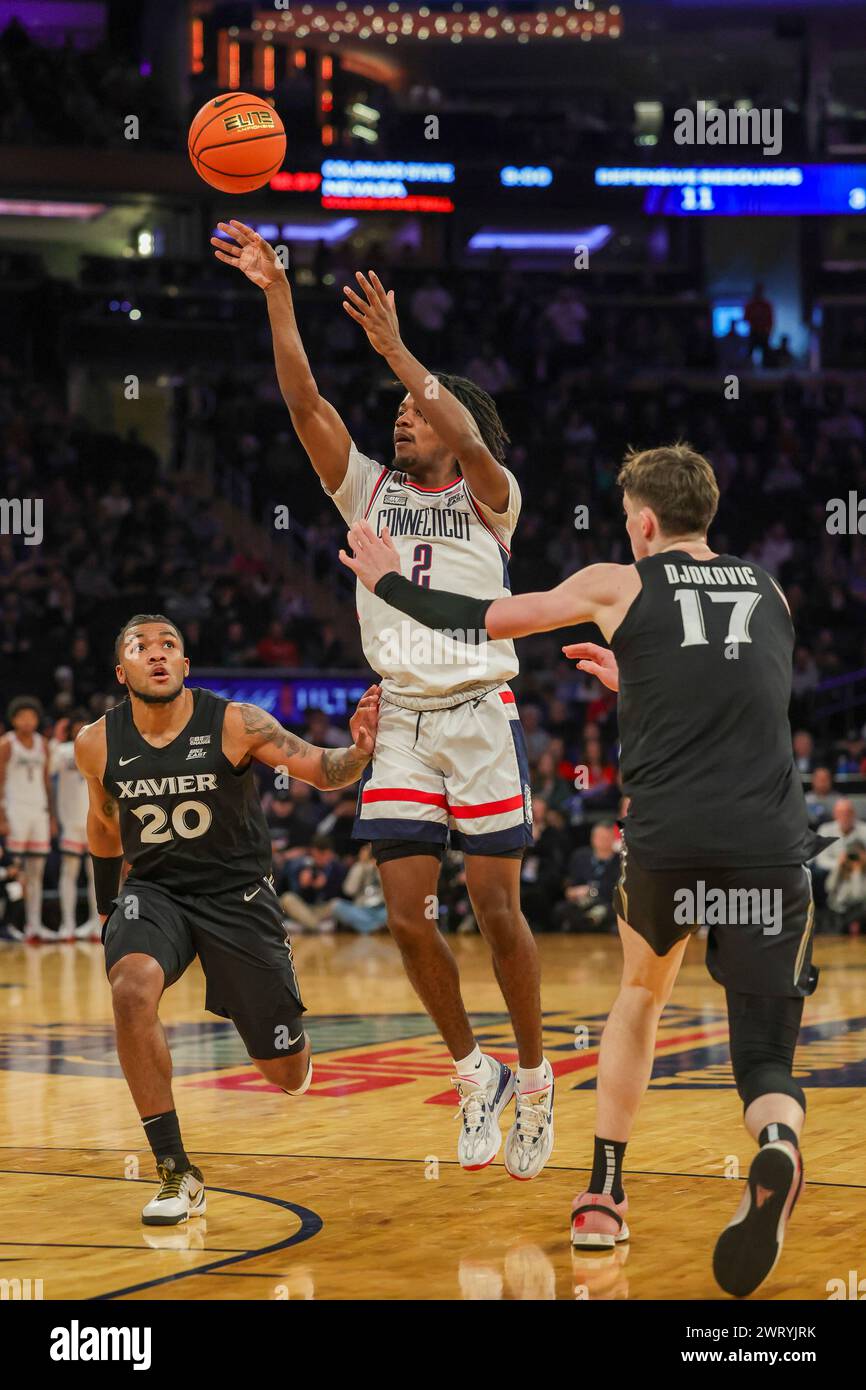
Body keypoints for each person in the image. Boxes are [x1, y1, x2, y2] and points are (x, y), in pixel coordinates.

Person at [342, 441, 823, 1298]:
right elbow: (740, 694)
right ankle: (778, 1149)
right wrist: (638, 680)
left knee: (642, 995)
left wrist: (388, 584)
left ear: (643, 521)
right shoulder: (770, 588)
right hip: (771, 842)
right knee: (763, 1058)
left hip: (672, 840)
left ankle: (603, 1193)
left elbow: (481, 618)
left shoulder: (617, 581)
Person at [213, 220, 553, 1181]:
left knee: (495, 905)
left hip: (482, 715)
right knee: (408, 914)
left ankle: (535, 1076)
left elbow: (466, 439)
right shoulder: (366, 489)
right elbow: (303, 400)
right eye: (399, 406)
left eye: (417, 409)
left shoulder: (494, 497)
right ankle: (472, 1068)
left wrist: (403, 353)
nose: (401, 416)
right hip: (401, 718)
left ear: (458, 428)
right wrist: (278, 293)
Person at [74, 613, 378, 1226]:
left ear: (185, 666)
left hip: (237, 897)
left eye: (169, 646)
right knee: (131, 989)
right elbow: (105, 826)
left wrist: (361, 750)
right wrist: (109, 906)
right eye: (141, 647)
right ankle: (175, 1170)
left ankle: (289, 1044)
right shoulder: (96, 742)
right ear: (121, 670)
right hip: (156, 891)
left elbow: (319, 769)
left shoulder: (237, 722)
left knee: (284, 1073)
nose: (156, 654)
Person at [0, 695, 56, 942]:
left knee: (36, 872)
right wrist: (1, 815)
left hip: (38, 812)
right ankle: (9, 923)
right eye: (22, 716)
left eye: (31, 715)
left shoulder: (43, 744)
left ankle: (34, 925)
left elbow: (46, 783)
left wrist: (52, 817)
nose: (27, 720)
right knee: (12, 872)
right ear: (13, 719)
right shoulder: (6, 744)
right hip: (13, 811)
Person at [50, 710, 100, 940]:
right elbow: (47, 769)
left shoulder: (99, 748)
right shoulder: (61, 751)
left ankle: (97, 923)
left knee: (97, 875)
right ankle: (67, 924)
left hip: (96, 819)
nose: (81, 729)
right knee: (68, 872)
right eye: (76, 725)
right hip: (70, 820)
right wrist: (56, 739)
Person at [554, 821, 620, 934]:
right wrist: (572, 892)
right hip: (582, 902)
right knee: (561, 909)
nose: (603, 841)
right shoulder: (580, 856)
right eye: (599, 837)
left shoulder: (621, 861)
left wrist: (594, 890)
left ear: (613, 839)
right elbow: (570, 885)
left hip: (608, 903)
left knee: (612, 912)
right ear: (592, 838)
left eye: (606, 837)